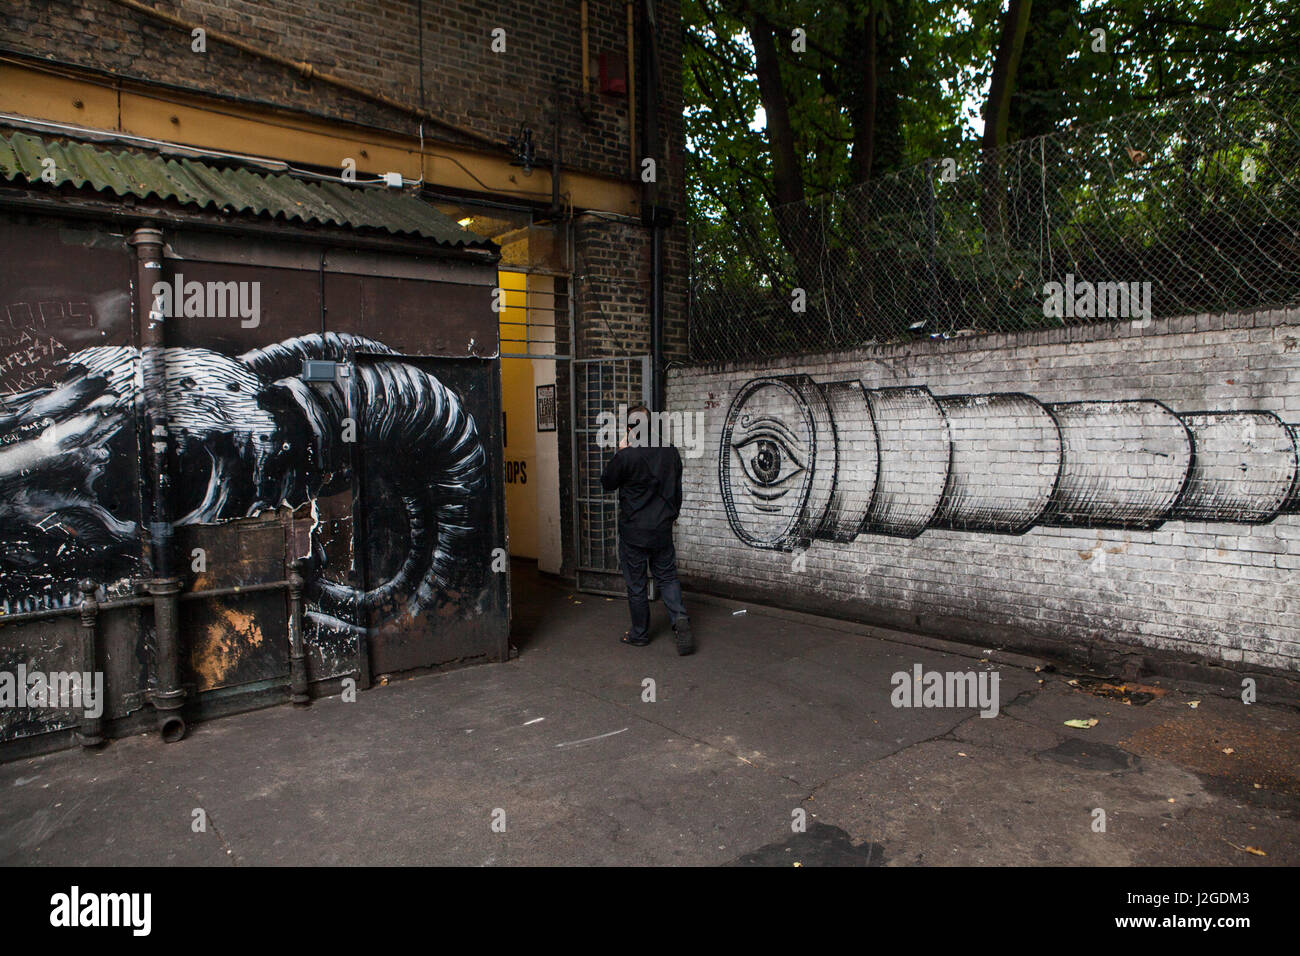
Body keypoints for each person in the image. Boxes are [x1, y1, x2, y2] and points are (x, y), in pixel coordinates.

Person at [600, 405, 695, 655]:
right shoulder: (670, 451)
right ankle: (680, 619)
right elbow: (677, 490)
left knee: (637, 583)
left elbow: (607, 483)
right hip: (661, 528)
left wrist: (620, 452)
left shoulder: (627, 455)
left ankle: (639, 634)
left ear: (630, 428)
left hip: (634, 531)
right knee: (667, 576)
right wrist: (671, 516)